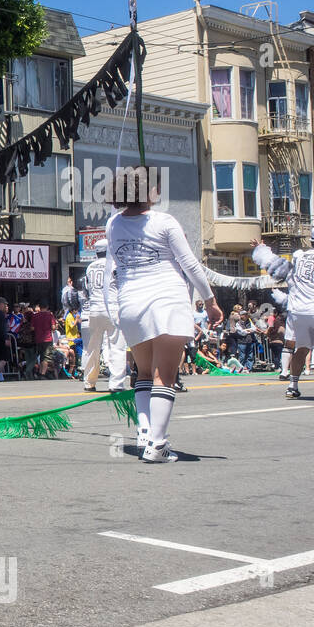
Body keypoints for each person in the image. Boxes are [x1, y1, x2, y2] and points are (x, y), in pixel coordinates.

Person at [105, 179, 221, 463]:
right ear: (146, 194)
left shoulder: (112, 225)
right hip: (166, 299)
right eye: (153, 187)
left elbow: (115, 268)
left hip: (131, 302)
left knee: (143, 373)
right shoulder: (164, 221)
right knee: (164, 376)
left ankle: (145, 434)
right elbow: (190, 264)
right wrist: (210, 301)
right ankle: (157, 444)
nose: (158, 191)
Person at [253, 229, 314, 400]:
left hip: (297, 312)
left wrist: (262, 249)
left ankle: (292, 386)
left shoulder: (300, 258)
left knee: (301, 348)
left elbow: (276, 267)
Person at [80, 238, 128, 393]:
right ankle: (116, 383)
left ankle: (89, 382)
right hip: (112, 308)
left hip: (94, 309)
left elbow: (86, 290)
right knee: (116, 346)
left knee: (92, 347)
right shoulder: (114, 264)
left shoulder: (89, 267)